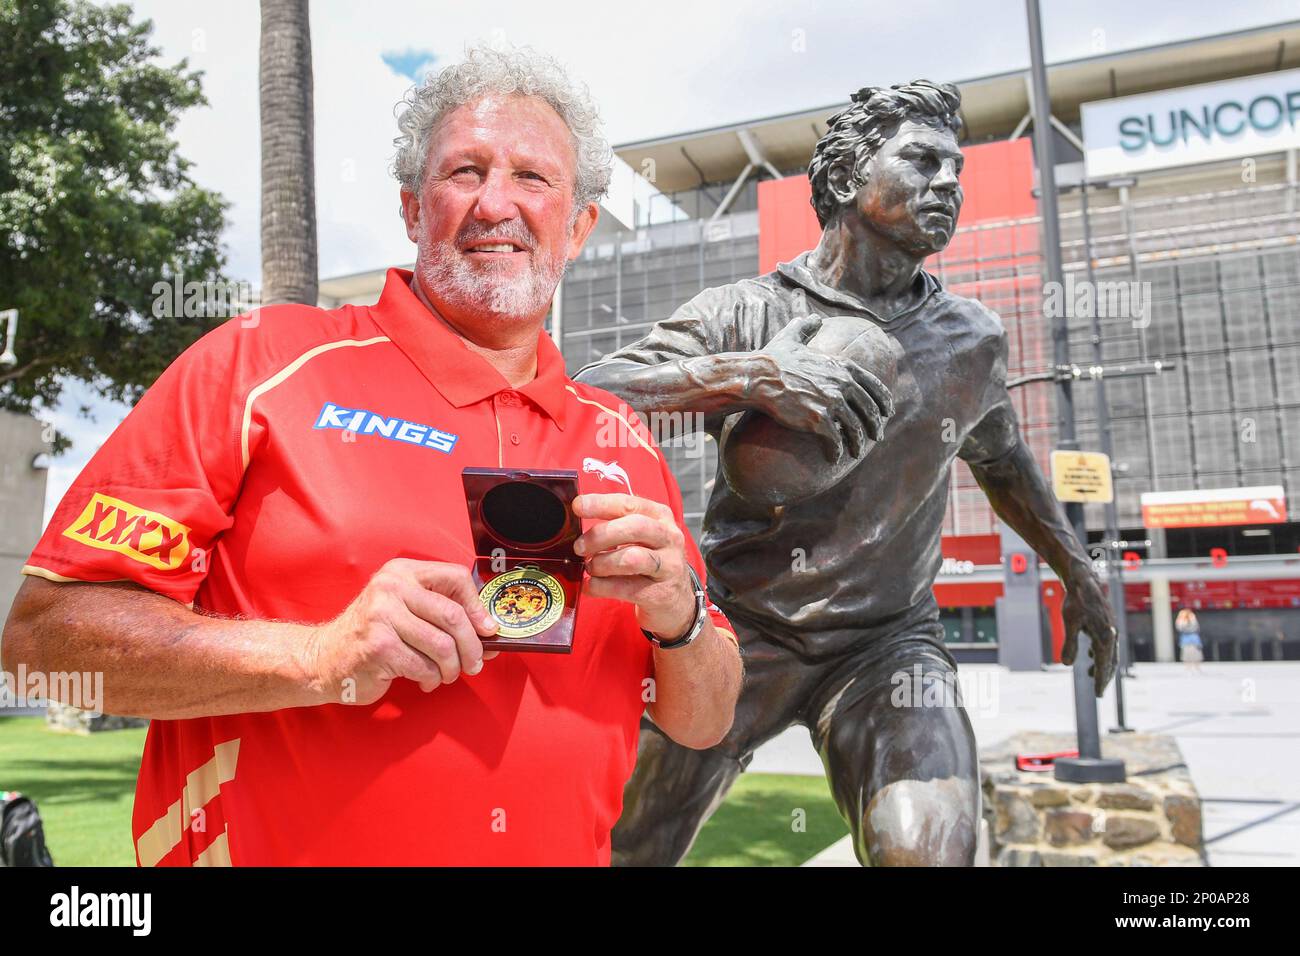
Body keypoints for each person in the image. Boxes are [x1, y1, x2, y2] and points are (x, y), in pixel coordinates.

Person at [0, 45, 742, 867]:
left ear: (578, 226)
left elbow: (705, 719)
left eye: (533, 178)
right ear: (412, 209)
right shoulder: (260, 365)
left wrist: (679, 616)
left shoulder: (625, 440)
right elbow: (43, 648)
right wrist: (318, 656)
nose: (498, 202)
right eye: (465, 171)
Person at [578, 80, 1117, 866]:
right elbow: (588, 398)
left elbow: (1002, 461)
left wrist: (1079, 567)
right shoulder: (748, 311)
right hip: (737, 630)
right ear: (842, 181)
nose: (949, 184)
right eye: (923, 161)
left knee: (927, 853)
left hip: (887, 645)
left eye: (957, 169)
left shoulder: (971, 339)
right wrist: (752, 376)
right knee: (622, 849)